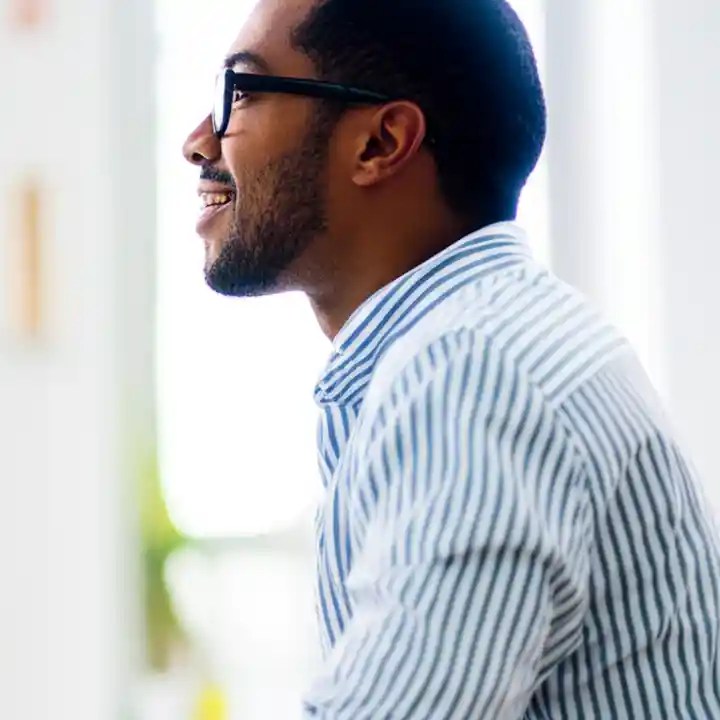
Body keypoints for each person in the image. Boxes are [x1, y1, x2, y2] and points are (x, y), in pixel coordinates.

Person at [182, 0, 720, 717]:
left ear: (380, 143)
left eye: (241, 93)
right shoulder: (492, 340)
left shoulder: (473, 374)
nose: (198, 141)